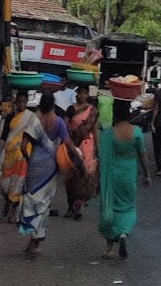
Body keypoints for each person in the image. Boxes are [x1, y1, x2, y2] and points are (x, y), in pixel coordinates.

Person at [17, 90, 82, 257]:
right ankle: (36, 242)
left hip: (35, 164)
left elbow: (23, 147)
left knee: (31, 199)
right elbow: (68, 144)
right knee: (43, 204)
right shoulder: (58, 122)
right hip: (50, 166)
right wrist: (79, 160)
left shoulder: (34, 120)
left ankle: (32, 238)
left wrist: (29, 159)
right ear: (53, 105)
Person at [98, 100, 151, 261]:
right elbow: (142, 155)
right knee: (128, 207)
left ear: (114, 114)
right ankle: (123, 233)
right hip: (129, 173)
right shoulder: (136, 132)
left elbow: (101, 155)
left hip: (113, 174)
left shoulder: (108, 134)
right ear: (128, 113)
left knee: (110, 207)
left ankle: (109, 249)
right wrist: (147, 175)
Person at [62, 84, 99, 220]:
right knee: (71, 177)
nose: (81, 96)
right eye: (79, 93)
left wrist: (98, 147)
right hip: (72, 145)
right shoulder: (71, 109)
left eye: (84, 93)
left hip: (87, 146)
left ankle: (78, 206)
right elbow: (64, 127)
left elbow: (94, 129)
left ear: (87, 95)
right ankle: (70, 205)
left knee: (84, 176)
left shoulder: (92, 111)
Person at [0, 90, 33, 223]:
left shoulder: (30, 118)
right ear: (16, 103)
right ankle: (8, 200)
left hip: (22, 155)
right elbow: (4, 136)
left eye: (24, 102)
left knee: (18, 184)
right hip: (9, 154)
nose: (21, 104)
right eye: (19, 102)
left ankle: (13, 212)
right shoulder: (10, 117)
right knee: (4, 183)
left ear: (27, 102)